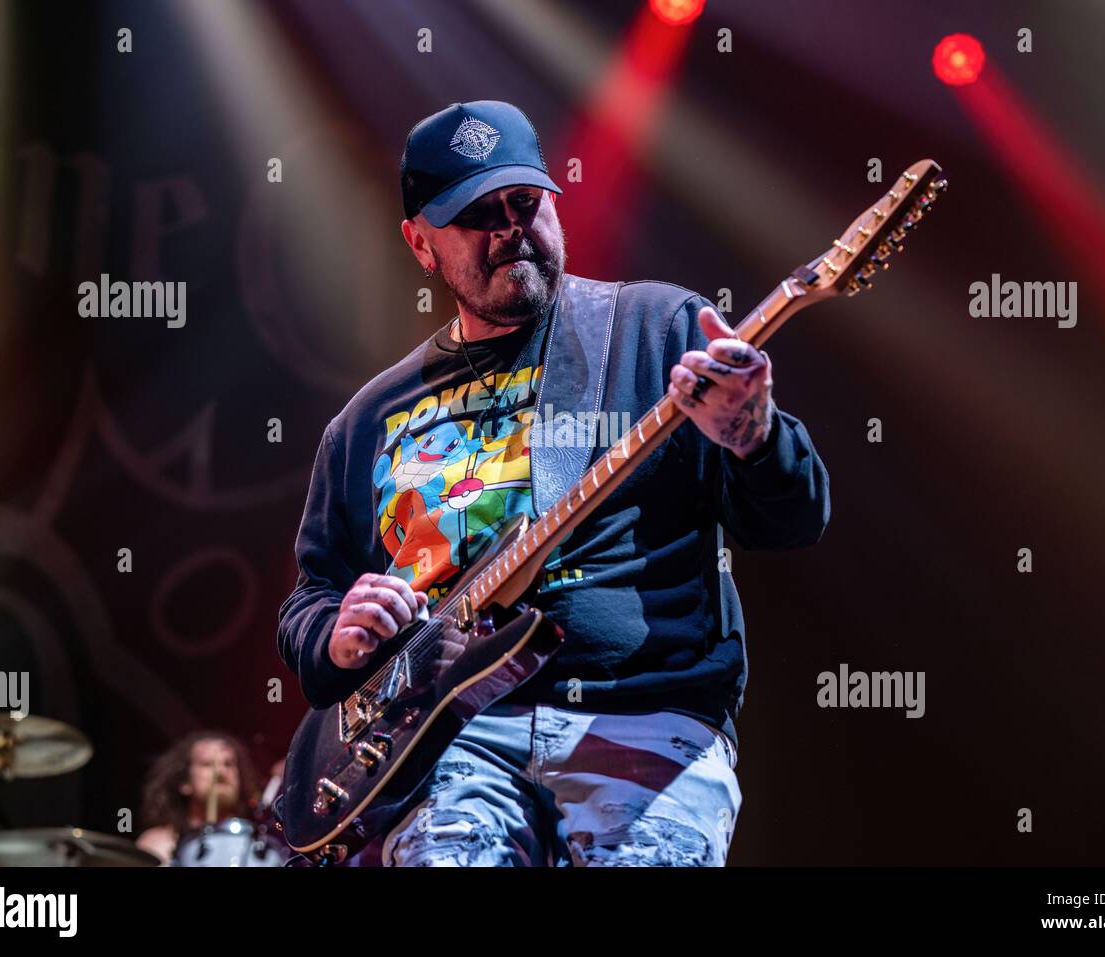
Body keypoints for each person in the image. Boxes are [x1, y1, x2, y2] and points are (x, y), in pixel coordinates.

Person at [278, 100, 830, 866]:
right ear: (420, 245)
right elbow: (311, 595)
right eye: (477, 214)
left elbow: (794, 520)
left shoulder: (656, 329)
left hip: (638, 725)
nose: (509, 227)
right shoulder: (368, 416)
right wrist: (335, 635)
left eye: (525, 202)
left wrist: (752, 433)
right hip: (451, 745)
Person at [136, 730, 259, 864]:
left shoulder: (259, 847)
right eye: (207, 764)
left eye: (228, 764)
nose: (221, 771)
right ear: (184, 783)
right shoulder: (159, 845)